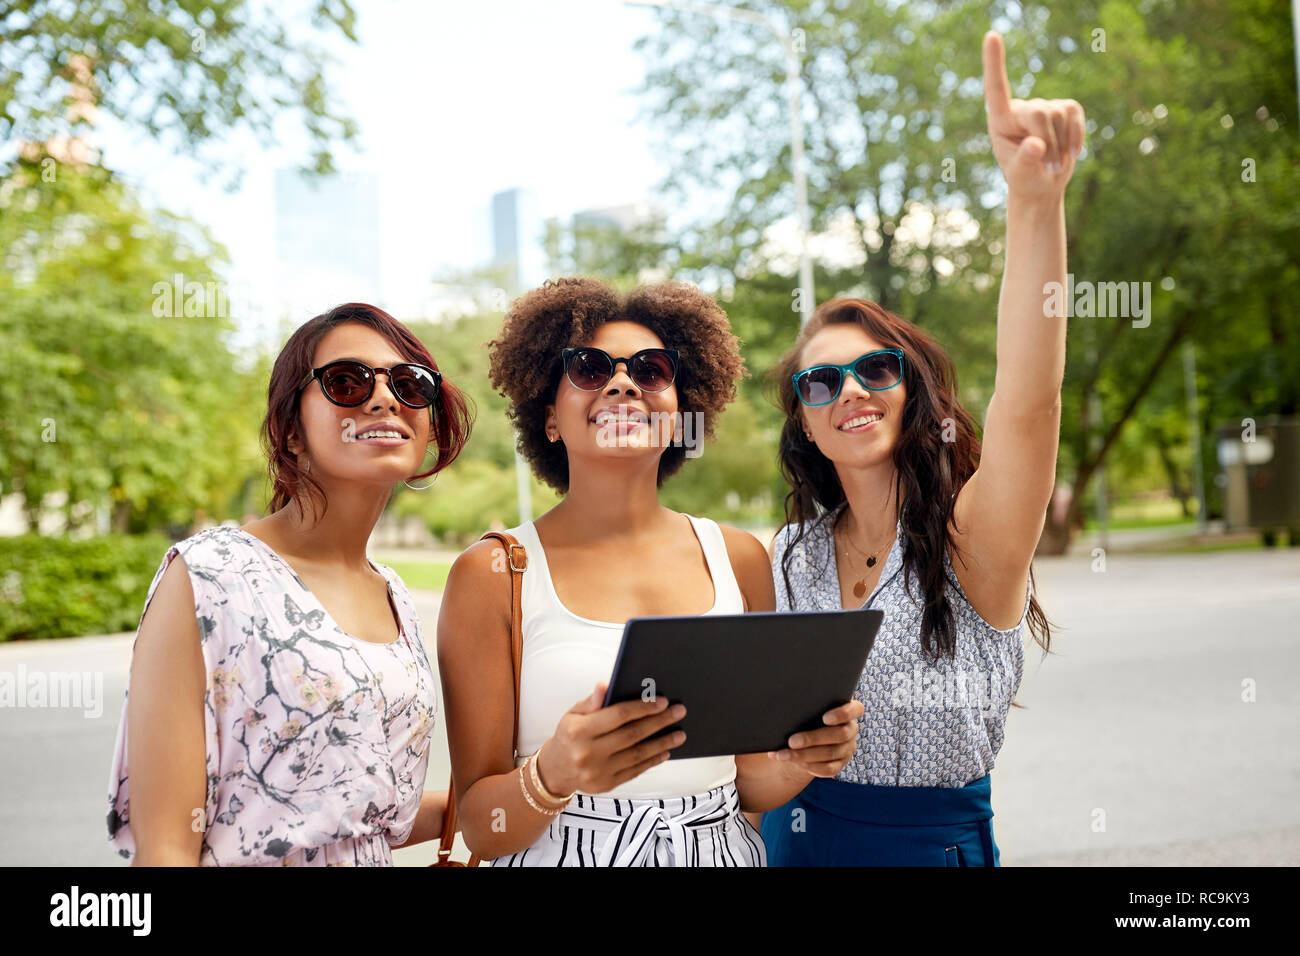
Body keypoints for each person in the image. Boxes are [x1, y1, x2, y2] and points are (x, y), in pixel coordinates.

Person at [759, 31, 1082, 866]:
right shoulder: (788, 556)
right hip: (786, 842)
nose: (851, 391)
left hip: (925, 849)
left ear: (914, 389)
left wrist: (1034, 205)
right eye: (820, 383)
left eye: (875, 368)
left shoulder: (972, 541)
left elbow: (1029, 402)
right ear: (803, 420)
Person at [436, 277, 865, 866]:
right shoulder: (493, 572)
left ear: (681, 412)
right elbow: (483, 830)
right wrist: (554, 771)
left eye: (651, 369)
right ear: (550, 419)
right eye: (588, 369)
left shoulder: (739, 558)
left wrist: (803, 758)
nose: (621, 383)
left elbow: (747, 785)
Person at [106, 303, 471, 865]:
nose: (385, 398)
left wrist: (541, 785)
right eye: (346, 382)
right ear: (290, 431)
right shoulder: (210, 575)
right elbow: (167, 848)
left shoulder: (393, 593)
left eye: (410, 383)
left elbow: (364, 816)